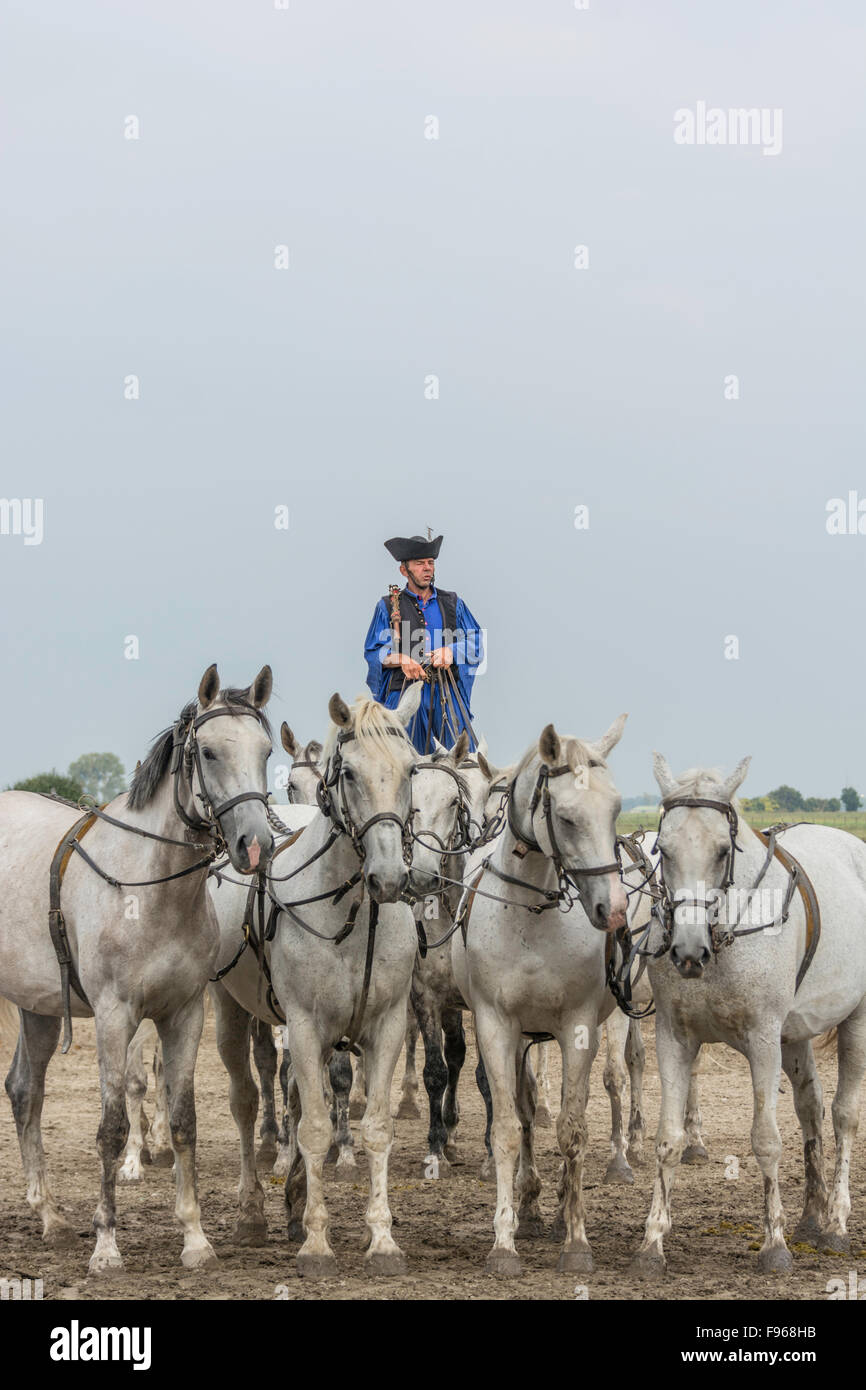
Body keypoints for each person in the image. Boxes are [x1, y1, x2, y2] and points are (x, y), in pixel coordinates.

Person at [363, 533, 484, 754]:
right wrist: (401, 660)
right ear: (404, 570)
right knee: (397, 764)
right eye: (420, 564)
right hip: (404, 695)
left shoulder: (453, 603)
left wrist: (452, 651)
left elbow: (476, 642)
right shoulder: (388, 606)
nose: (427, 568)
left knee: (464, 763)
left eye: (430, 563)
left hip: (446, 694)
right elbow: (375, 651)